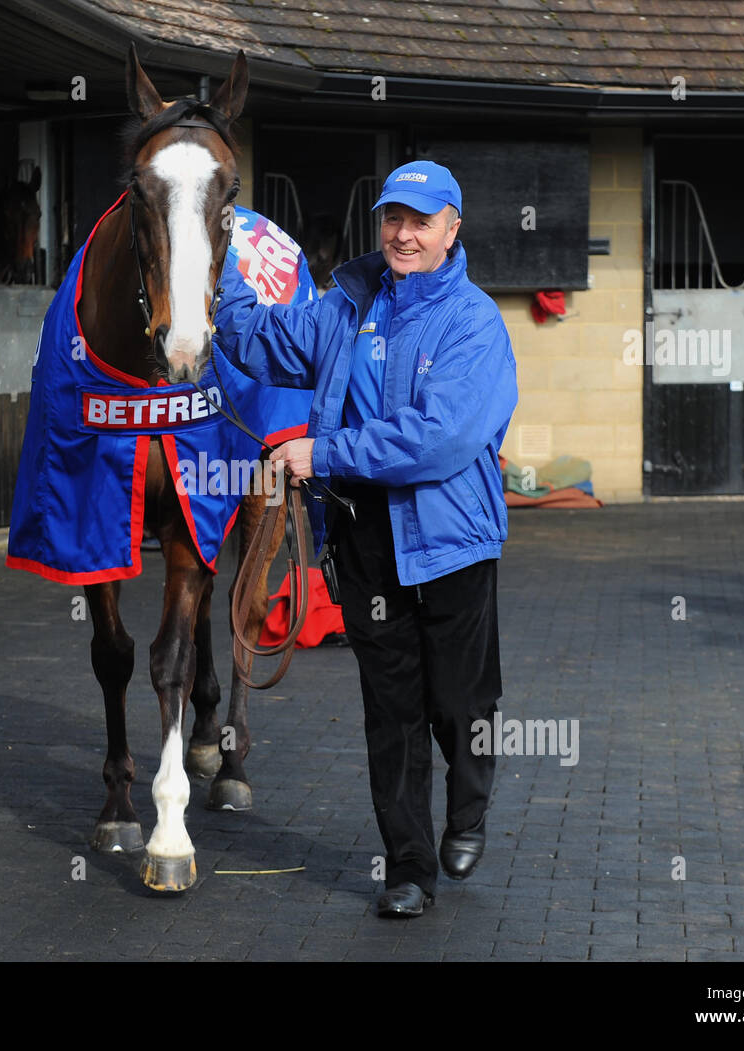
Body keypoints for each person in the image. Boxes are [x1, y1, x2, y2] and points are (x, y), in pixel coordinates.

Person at [212, 160, 518, 918]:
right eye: (393, 219)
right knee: (393, 713)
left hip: (452, 544)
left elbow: (440, 439)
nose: (403, 234)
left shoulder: (475, 322)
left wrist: (326, 453)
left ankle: (469, 805)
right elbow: (256, 338)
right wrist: (214, 253)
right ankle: (408, 869)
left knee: (458, 703)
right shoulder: (342, 308)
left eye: (420, 221)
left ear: (452, 228)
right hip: (365, 542)